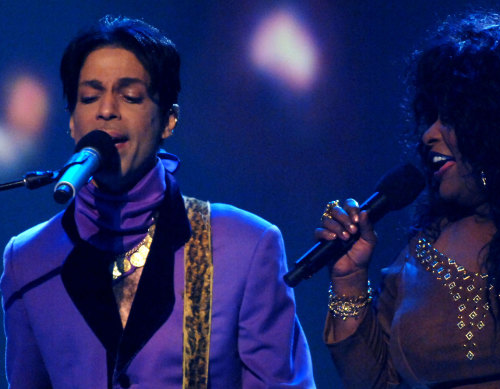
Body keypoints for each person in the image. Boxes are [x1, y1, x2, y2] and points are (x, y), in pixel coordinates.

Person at [1, 16, 315, 389]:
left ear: (168, 120)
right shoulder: (27, 260)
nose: (107, 110)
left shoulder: (247, 245)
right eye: (89, 97)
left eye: (130, 96)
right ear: (71, 121)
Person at [318, 10, 500, 388]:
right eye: (430, 117)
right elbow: (377, 383)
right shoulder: (418, 256)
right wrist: (348, 280)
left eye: (453, 117)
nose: (428, 134)